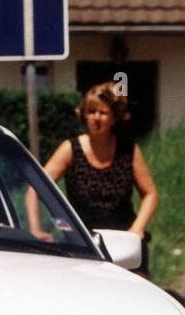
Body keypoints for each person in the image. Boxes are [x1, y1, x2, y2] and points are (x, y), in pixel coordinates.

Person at [42, 81, 159, 275]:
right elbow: (38, 189)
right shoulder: (70, 148)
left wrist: (137, 230)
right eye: (91, 112)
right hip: (83, 243)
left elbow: (151, 195)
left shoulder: (128, 149)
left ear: (114, 118)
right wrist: (49, 227)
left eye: (103, 113)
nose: (96, 118)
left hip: (123, 243)